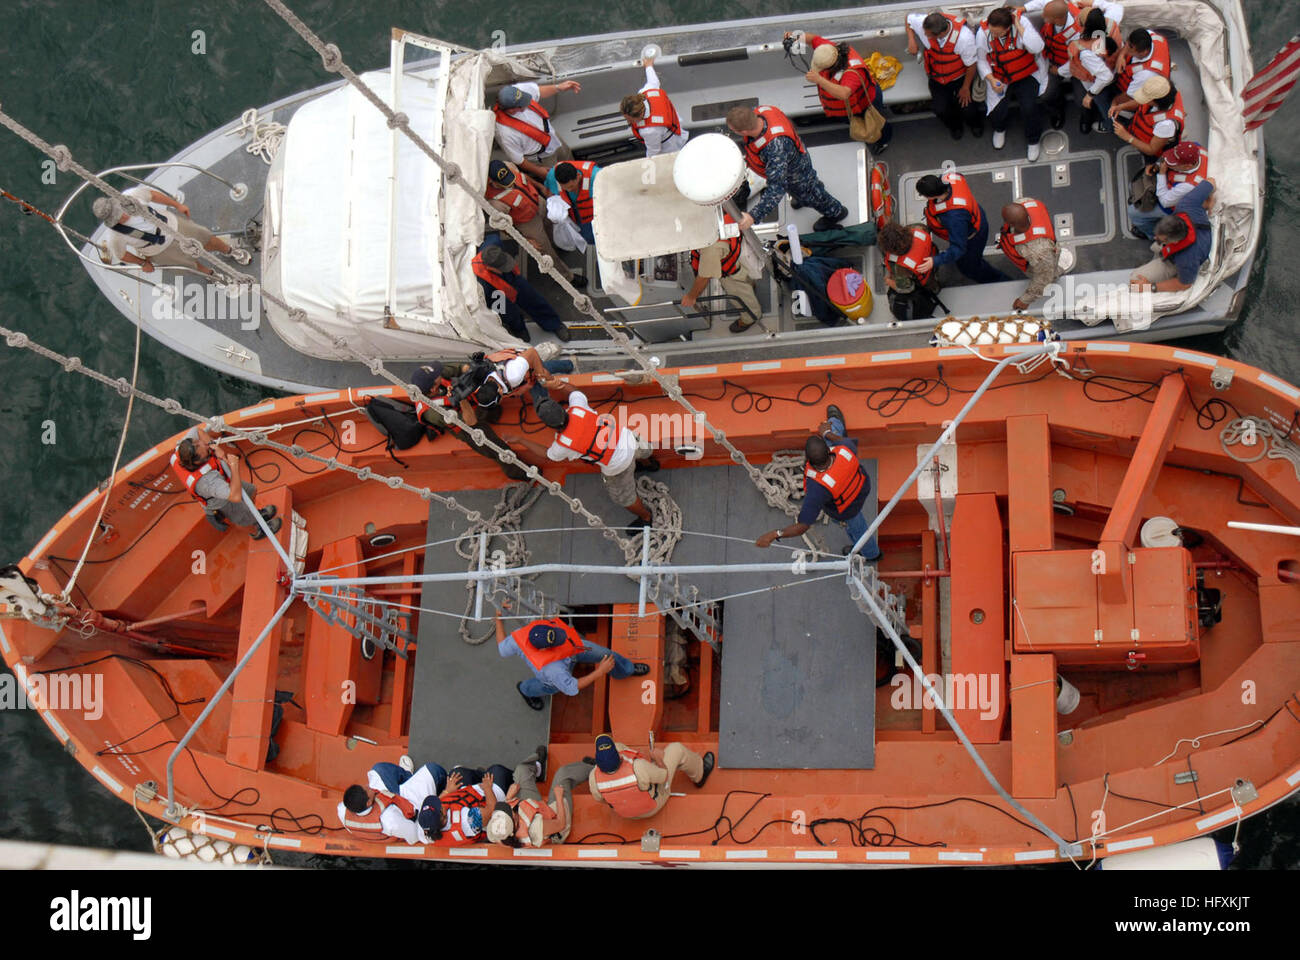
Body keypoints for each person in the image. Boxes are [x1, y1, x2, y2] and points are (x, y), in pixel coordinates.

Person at [755, 405, 882, 558]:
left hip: (848, 510)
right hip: (862, 488)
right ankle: (834, 422)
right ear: (829, 450)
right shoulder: (845, 450)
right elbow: (842, 441)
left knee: (858, 531)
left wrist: (774, 534)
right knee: (833, 430)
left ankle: (871, 554)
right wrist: (827, 433)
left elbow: (802, 526)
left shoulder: (817, 489)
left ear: (808, 461)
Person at [531, 389, 661, 531]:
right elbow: (575, 391)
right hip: (629, 439)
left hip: (619, 465)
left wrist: (519, 440)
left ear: (550, 426)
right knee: (644, 450)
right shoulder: (578, 408)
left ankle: (646, 518)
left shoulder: (562, 446)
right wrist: (558, 385)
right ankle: (650, 464)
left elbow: (547, 454)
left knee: (623, 498)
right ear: (562, 409)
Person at [726, 105, 850, 234]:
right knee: (804, 190)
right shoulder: (764, 110)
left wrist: (753, 216)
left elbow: (777, 188)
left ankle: (836, 212)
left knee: (811, 194)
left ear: (743, 132)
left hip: (797, 174)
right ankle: (806, 193)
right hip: (795, 156)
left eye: (733, 130)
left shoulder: (775, 148)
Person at [496, 614, 650, 710]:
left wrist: (498, 618)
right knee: (548, 687)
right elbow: (572, 687)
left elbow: (502, 647)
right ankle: (525, 689)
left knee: (606, 654)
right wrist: (600, 671)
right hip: (555, 674)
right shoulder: (553, 670)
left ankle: (626, 670)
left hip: (573, 649)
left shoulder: (526, 632)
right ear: (545, 648)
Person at [408, 362, 531, 481]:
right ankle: (519, 472)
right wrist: (460, 397)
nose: (439, 373)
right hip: (464, 425)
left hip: (469, 406)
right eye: (436, 375)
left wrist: (473, 373)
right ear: (433, 388)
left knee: (489, 398)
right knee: (495, 448)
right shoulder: (432, 412)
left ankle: (492, 413)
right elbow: (470, 422)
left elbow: (462, 368)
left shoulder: (434, 374)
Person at [94, 185, 244, 275]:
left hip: (173, 225)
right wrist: (143, 263)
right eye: (117, 218)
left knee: (206, 237)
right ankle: (211, 274)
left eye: (120, 212)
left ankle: (230, 251)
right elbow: (121, 255)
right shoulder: (115, 236)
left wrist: (177, 205)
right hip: (158, 250)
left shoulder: (132, 196)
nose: (123, 217)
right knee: (188, 264)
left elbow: (153, 195)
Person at [485, 158, 585, 288]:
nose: (510, 184)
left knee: (552, 229)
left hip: (539, 204)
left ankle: (557, 245)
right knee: (547, 253)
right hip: (528, 223)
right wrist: (526, 240)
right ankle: (567, 277)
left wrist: (540, 187)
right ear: (492, 182)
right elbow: (505, 227)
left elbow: (523, 177)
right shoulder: (496, 203)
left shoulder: (509, 166)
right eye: (504, 183)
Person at [171, 424, 280, 538]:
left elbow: (198, 431)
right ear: (198, 460)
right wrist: (234, 466)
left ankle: (254, 514)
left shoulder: (183, 448)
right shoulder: (207, 482)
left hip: (225, 482)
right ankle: (258, 527)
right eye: (203, 448)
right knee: (244, 516)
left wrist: (214, 447)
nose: (203, 443)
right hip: (222, 500)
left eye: (199, 442)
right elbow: (235, 496)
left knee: (251, 490)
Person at [793, 29, 893, 150]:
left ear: (833, 65)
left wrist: (819, 79)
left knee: (878, 124)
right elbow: (813, 39)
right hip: (847, 109)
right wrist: (793, 37)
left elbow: (844, 93)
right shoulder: (828, 50)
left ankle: (884, 140)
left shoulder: (853, 72)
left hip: (865, 104)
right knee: (856, 123)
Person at [975, 5, 1049, 160]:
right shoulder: (983, 33)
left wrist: (1019, 27)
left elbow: (1037, 47)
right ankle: (999, 128)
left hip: (1026, 74)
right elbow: (981, 60)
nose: (993, 35)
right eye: (992, 31)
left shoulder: (1022, 24)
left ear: (1008, 28)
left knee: (1029, 108)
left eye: (997, 33)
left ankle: (1033, 140)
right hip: (999, 76)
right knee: (997, 109)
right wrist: (991, 79)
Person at [587, 733, 715, 820]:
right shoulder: (638, 767)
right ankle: (700, 774)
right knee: (677, 749)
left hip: (625, 814)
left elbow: (601, 799)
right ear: (619, 757)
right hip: (651, 807)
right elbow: (664, 776)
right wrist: (658, 758)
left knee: (618, 745)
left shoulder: (593, 777)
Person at [486, 749, 596, 848]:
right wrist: (558, 797)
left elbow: (504, 819)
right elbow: (560, 824)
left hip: (537, 810)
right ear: (514, 822)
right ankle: (593, 769)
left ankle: (538, 768)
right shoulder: (535, 829)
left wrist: (508, 797)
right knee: (563, 774)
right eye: (508, 812)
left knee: (521, 770)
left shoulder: (497, 832)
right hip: (555, 821)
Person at [916, 172, 1010, 284]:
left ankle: (1000, 280)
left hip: (973, 237)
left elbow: (958, 248)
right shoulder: (950, 179)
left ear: (930, 196)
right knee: (963, 259)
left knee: (969, 267)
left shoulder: (954, 217)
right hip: (975, 217)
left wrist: (935, 261)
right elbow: (958, 174)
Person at [1129, 177, 1216, 294]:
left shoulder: (1186, 259)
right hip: (1175, 249)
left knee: (1134, 282)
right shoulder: (1188, 204)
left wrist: (1149, 287)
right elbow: (1210, 181)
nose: (1155, 238)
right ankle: (1157, 259)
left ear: (1175, 241)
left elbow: (1184, 284)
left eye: (1162, 240)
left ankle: (1165, 271)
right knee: (1155, 246)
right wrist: (1211, 201)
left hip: (1174, 262)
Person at [905, 10, 983, 140]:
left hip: (959, 78)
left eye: (927, 35)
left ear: (940, 34)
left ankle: (975, 124)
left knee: (968, 108)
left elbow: (971, 65)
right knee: (940, 109)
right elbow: (908, 18)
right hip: (937, 79)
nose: (924, 35)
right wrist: (911, 39)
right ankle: (955, 126)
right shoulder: (926, 24)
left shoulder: (964, 38)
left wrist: (965, 88)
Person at [472, 244, 572, 343]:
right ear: (489, 268)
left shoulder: (495, 247)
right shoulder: (481, 284)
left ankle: (553, 323)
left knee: (532, 298)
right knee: (508, 313)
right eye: (502, 267)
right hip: (494, 291)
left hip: (511, 277)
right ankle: (519, 329)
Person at [337, 755, 448, 841]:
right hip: (409, 808)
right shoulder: (390, 819)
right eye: (367, 789)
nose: (367, 785)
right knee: (433, 771)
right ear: (369, 803)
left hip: (391, 800)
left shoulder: (342, 810)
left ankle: (408, 776)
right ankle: (446, 786)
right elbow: (414, 834)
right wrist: (444, 794)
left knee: (379, 770)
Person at [683, 212, 761, 333]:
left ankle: (751, 317)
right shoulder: (713, 216)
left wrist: (691, 297)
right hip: (738, 254)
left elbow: (704, 277)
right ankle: (750, 285)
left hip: (732, 275)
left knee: (738, 292)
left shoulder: (712, 248)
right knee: (744, 278)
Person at [493, 82, 580, 181]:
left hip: (553, 138)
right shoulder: (505, 133)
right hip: (543, 158)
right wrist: (539, 171)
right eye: (522, 104)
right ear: (512, 110)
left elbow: (537, 91)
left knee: (570, 161)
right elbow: (519, 160)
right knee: (560, 180)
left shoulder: (516, 92)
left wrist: (558, 87)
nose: (527, 103)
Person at [417, 765, 515, 846]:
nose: (438, 802)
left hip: (465, 797)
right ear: (443, 817)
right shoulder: (469, 821)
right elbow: (491, 809)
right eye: (438, 806)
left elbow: (436, 807)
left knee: (457, 773)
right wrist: (487, 787)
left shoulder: (427, 830)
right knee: (497, 770)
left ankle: (480, 774)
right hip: (488, 799)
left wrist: (447, 791)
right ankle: (514, 779)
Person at [619, 54, 688, 157]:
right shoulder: (646, 91)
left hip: (671, 146)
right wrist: (649, 66)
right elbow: (653, 81)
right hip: (675, 126)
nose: (628, 122)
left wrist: (648, 161)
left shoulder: (649, 131)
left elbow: (654, 151)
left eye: (630, 120)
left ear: (640, 116)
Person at [1065, 10, 1122, 134]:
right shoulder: (1111, 25)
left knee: (1103, 104)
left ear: (1085, 27)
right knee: (1109, 99)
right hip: (1114, 70)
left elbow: (1105, 77)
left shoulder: (1085, 52)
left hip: (1097, 82)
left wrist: (1090, 94)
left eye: (1079, 21)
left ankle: (1110, 126)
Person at [998, 200, 1059, 310]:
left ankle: (1058, 271)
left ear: (1011, 224)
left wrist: (1025, 300)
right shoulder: (1026, 202)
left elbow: (1044, 278)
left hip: (1043, 261)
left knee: (1049, 274)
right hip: (1044, 251)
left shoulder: (1039, 252)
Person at [878, 220, 943, 320]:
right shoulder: (919, 228)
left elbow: (907, 288)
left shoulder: (901, 269)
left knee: (927, 288)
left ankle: (933, 292)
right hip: (932, 260)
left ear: (891, 250)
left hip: (927, 284)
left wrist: (889, 281)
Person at [1112, 75, 1183, 158]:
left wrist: (1127, 136)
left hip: (1147, 149)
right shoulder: (1166, 91)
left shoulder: (1166, 124)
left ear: (1155, 102)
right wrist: (1121, 107)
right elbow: (1140, 101)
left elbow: (1151, 150)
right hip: (1137, 129)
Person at [544, 161, 601, 250]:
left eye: (571, 187)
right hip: (576, 210)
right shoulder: (552, 176)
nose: (569, 190)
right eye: (565, 188)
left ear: (578, 176)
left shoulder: (597, 176)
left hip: (596, 208)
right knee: (588, 236)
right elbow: (549, 192)